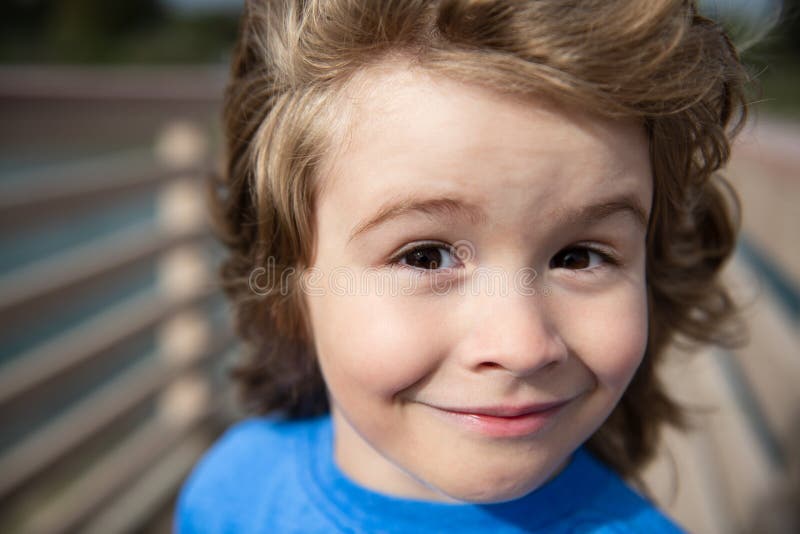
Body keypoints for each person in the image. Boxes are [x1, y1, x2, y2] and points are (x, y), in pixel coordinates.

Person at [176, 0, 749, 532]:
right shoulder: (230, 490)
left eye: (579, 257)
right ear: (289, 285)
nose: (523, 346)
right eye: (425, 256)